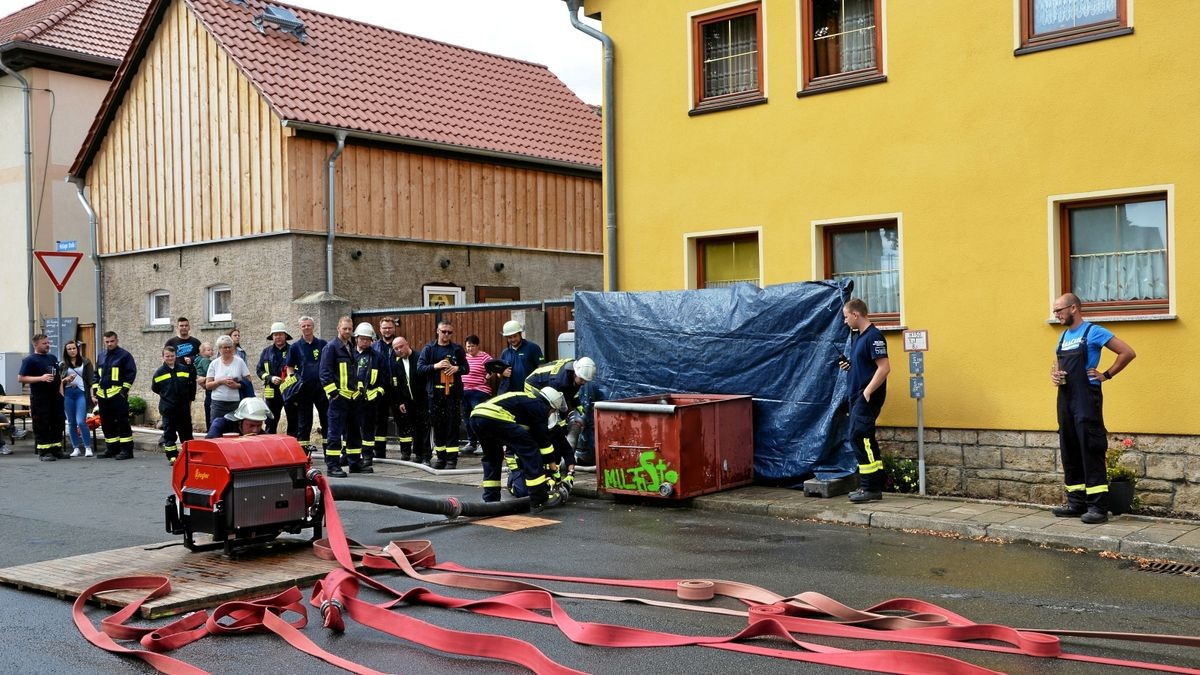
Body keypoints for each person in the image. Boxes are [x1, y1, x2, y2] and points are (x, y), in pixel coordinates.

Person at [1049, 293, 1136, 524]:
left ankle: (1098, 507)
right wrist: (1055, 375)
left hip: (1086, 398)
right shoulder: (1063, 336)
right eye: (1054, 311)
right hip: (1065, 398)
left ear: (1073, 308)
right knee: (1069, 447)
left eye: (1059, 310)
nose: (1056, 315)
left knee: (1090, 447)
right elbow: (1058, 364)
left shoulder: (1094, 332)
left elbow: (1128, 352)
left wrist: (1106, 374)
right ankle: (1076, 502)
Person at [470, 386, 566, 510]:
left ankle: (491, 500)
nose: (551, 414)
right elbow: (543, 443)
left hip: (476, 416)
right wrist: (554, 469)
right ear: (551, 406)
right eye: (553, 411)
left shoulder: (528, 402)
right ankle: (538, 499)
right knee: (531, 450)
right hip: (495, 416)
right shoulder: (540, 407)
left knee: (493, 457)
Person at [839, 298, 890, 503]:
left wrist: (867, 392)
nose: (845, 321)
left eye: (846, 317)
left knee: (859, 437)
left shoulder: (874, 336)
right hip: (857, 395)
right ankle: (873, 485)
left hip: (866, 397)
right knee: (863, 438)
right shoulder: (858, 337)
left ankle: (870, 488)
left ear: (855, 314)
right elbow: (864, 366)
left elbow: (884, 368)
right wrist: (849, 366)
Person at [522, 356, 597, 490]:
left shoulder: (573, 372)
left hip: (548, 383)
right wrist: (560, 426)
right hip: (534, 386)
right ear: (575, 373)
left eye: (586, 380)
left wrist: (577, 405)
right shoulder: (558, 382)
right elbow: (556, 403)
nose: (583, 383)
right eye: (582, 379)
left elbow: (571, 392)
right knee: (544, 417)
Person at [319, 317, 370, 477]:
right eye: (345, 329)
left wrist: (360, 388)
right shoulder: (331, 348)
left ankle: (354, 463)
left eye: (350, 329)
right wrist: (334, 394)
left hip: (353, 399)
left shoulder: (351, 347)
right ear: (338, 328)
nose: (347, 331)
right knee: (335, 434)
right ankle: (333, 466)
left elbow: (354, 373)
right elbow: (324, 373)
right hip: (339, 399)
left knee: (354, 433)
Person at [417, 321, 468, 470]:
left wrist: (456, 368)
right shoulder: (429, 349)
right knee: (438, 426)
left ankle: (452, 460)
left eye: (449, 332)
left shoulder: (457, 349)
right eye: (443, 331)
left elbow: (466, 368)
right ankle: (441, 458)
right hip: (435, 394)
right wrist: (436, 366)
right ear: (437, 331)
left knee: (452, 426)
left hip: (452, 394)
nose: (446, 334)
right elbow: (420, 368)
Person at [283, 316, 328, 454]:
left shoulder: (322, 344)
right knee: (304, 423)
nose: (306, 328)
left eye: (308, 325)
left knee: (326, 419)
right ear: (300, 328)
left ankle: (329, 451)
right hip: (303, 390)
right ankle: (303, 453)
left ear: (313, 327)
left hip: (321, 388)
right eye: (303, 326)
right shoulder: (295, 347)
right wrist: (292, 381)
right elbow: (289, 367)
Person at [18, 333, 66, 461]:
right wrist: (41, 378)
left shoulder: (52, 358)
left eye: (48, 342)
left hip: (55, 397)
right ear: (36, 345)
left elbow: (58, 377)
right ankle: (44, 452)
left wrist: (61, 394)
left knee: (57, 423)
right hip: (40, 399)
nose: (47, 345)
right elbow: (21, 378)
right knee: (42, 424)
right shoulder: (30, 360)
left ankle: (56, 449)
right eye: (44, 343)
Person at [92, 331, 137, 460]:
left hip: (117, 395)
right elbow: (96, 374)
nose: (109, 344)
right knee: (107, 423)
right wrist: (95, 388)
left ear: (117, 340)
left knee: (122, 423)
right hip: (103, 395)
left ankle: (127, 451)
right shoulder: (101, 356)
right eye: (107, 342)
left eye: (112, 341)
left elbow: (131, 373)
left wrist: (124, 391)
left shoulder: (125, 355)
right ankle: (112, 449)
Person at [352, 323, 387, 469]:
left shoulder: (377, 357)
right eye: (362, 339)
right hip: (351, 398)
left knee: (368, 430)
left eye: (368, 339)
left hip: (369, 400)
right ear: (356, 338)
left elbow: (384, 379)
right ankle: (350, 456)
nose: (365, 342)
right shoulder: (349, 354)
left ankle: (367, 456)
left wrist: (378, 392)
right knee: (350, 429)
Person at [151, 345, 195, 464]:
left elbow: (189, 385)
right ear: (163, 357)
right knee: (169, 434)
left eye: (172, 356)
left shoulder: (184, 369)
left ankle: (188, 456)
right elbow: (155, 388)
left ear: (175, 356)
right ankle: (172, 457)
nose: (170, 358)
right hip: (168, 408)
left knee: (186, 433)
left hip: (183, 408)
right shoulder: (159, 373)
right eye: (167, 356)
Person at [390, 336, 428, 464]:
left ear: (407, 344)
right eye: (396, 349)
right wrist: (401, 401)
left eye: (401, 347)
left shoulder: (419, 358)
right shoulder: (398, 364)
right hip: (408, 401)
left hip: (423, 399)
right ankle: (417, 454)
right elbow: (399, 384)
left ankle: (426, 455)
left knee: (424, 428)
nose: (399, 350)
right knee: (414, 428)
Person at [257, 322, 296, 435]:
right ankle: (270, 444)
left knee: (293, 420)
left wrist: (290, 379)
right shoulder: (266, 352)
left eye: (280, 334)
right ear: (272, 337)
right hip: (272, 393)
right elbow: (259, 370)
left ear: (285, 336)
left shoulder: (293, 350)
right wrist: (270, 378)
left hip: (289, 391)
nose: (278, 337)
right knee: (270, 422)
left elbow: (298, 369)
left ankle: (291, 443)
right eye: (275, 335)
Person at [459, 334, 493, 455]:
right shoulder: (464, 357)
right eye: (468, 346)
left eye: (472, 346)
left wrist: (488, 376)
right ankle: (471, 443)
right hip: (464, 391)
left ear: (477, 346)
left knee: (479, 418)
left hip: (479, 392)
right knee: (467, 418)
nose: (470, 349)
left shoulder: (484, 357)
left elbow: (493, 367)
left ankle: (484, 443)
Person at [60, 341, 95, 458]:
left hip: (81, 393)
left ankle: (87, 447)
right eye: (69, 349)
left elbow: (91, 380)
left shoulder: (86, 362)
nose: (72, 351)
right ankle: (76, 448)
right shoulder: (63, 364)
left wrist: (92, 395)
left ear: (77, 349)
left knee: (81, 421)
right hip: (68, 393)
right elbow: (58, 381)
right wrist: (65, 380)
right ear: (66, 351)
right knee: (71, 422)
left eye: (74, 348)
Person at [371, 318, 398, 458]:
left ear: (394, 328)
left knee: (401, 420)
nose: (387, 330)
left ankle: (406, 452)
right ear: (380, 329)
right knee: (379, 420)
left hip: (397, 389)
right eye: (384, 328)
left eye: (390, 327)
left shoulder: (399, 344)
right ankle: (379, 451)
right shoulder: (374, 347)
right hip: (380, 389)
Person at [206, 335, 251, 421]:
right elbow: (208, 385)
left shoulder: (240, 362)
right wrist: (220, 382)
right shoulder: (214, 364)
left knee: (235, 428)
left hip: (236, 402)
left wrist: (237, 385)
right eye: (225, 347)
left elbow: (248, 380)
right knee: (217, 427)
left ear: (233, 348)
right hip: (218, 403)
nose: (227, 349)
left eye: (229, 347)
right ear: (219, 349)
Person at [497, 320, 543, 394]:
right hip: (511, 394)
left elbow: (541, 369)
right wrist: (502, 372)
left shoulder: (533, 348)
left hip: (530, 392)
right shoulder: (505, 353)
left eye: (515, 336)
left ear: (520, 334)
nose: (513, 339)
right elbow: (499, 374)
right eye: (510, 337)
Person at [205, 396, 272, 438]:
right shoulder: (220, 424)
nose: (255, 430)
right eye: (251, 425)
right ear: (240, 421)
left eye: (259, 425)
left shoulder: (260, 433)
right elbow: (209, 444)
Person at [194, 342, 214, 431]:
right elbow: (209, 372)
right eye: (208, 350)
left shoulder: (199, 360)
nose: (211, 351)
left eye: (212, 350)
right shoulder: (206, 361)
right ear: (202, 352)